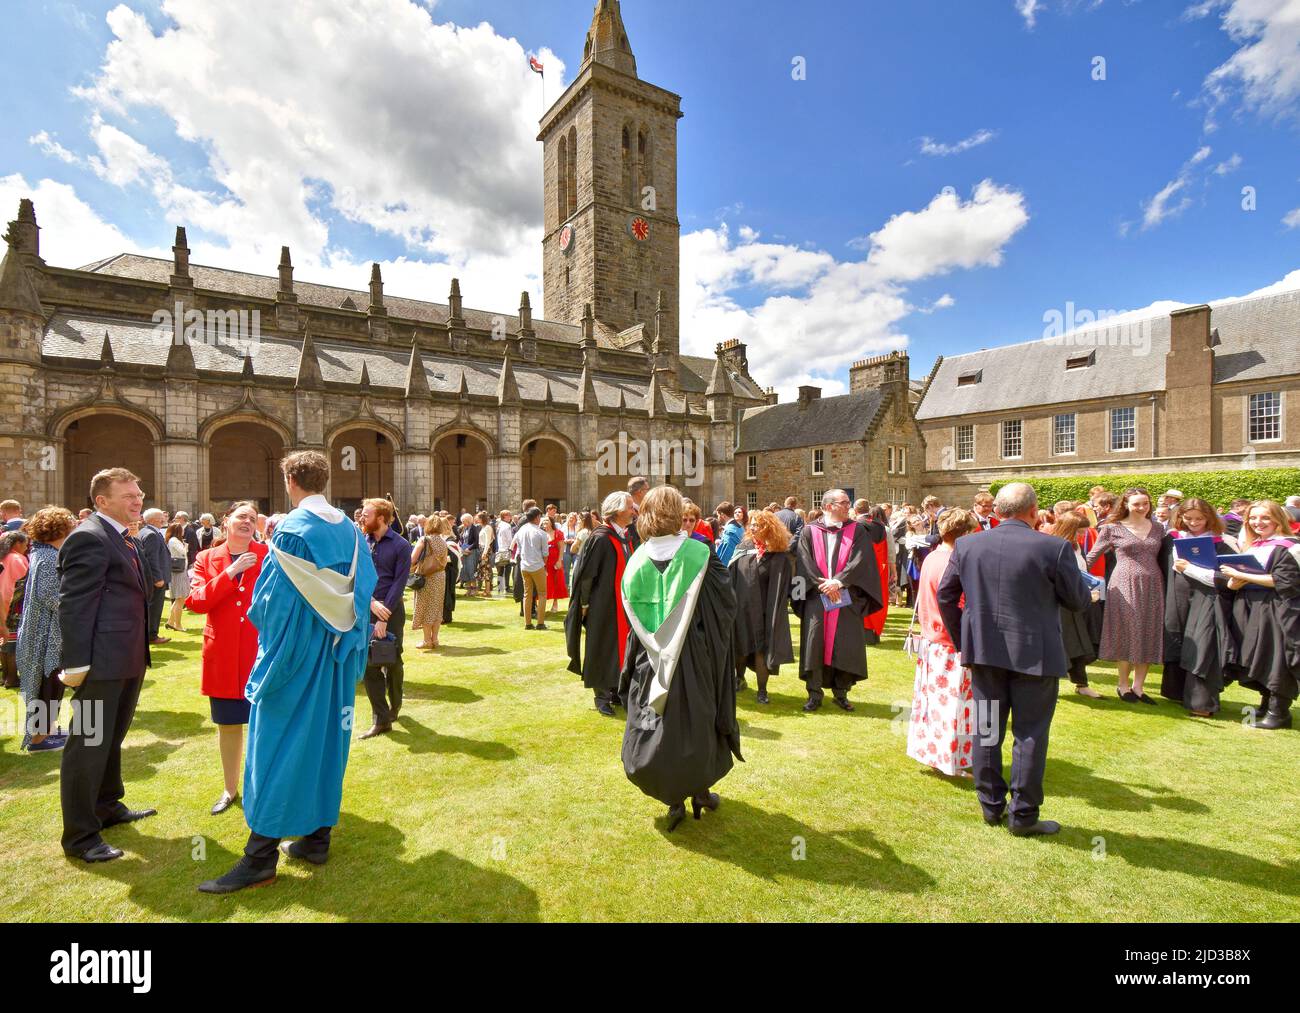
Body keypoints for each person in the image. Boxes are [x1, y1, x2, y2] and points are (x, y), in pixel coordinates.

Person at [198, 451, 377, 893]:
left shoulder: (293, 530)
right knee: (325, 743)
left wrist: (271, 652)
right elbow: (364, 588)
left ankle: (260, 857)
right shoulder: (352, 532)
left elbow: (272, 606)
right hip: (335, 657)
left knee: (276, 746)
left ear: (290, 481)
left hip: (296, 659)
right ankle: (316, 839)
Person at [937, 483, 1092, 836]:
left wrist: (965, 641)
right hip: (1033, 654)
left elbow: (946, 596)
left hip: (987, 654)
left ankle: (992, 807)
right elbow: (1078, 601)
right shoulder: (1054, 547)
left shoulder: (968, 544)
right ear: (1034, 511)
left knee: (988, 729)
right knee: (1030, 733)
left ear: (998, 510)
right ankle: (1021, 815)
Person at [618, 486, 741, 831]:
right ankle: (700, 791)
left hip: (651, 661)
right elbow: (725, 606)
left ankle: (674, 800)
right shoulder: (699, 554)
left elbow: (633, 621)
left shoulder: (636, 561)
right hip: (693, 657)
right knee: (698, 723)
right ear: (676, 513)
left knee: (658, 725)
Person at [57, 468, 156, 863]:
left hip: (127, 658)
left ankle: (108, 806)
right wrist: (77, 664)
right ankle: (80, 836)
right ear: (102, 501)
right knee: (87, 745)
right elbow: (75, 605)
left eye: (139, 493)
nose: (138, 500)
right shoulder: (89, 536)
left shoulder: (122, 536)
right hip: (100, 663)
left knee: (111, 738)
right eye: (129, 495)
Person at [185, 501, 267, 815]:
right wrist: (232, 571)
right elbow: (196, 601)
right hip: (222, 656)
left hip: (260, 654)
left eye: (252, 517)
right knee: (229, 726)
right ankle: (230, 789)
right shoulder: (206, 558)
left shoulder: (269, 555)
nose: (247, 521)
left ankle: (263, 788)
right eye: (241, 516)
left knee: (265, 726)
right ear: (227, 521)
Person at [793, 489, 882, 712]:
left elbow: (860, 560)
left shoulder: (858, 530)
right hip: (816, 596)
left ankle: (841, 693)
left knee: (845, 645)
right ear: (829, 506)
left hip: (846, 596)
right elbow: (803, 562)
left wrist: (839, 583)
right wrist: (823, 584)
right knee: (814, 644)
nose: (848, 506)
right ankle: (814, 694)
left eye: (848, 502)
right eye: (843, 502)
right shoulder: (808, 531)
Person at [907, 508, 981, 775]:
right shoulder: (954, 560)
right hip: (950, 641)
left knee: (933, 704)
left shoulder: (932, 557)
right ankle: (952, 759)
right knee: (955, 706)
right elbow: (956, 602)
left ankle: (934, 754)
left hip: (932, 640)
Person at [1221, 500, 1300, 730]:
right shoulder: (1257, 545)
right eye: (1253, 518)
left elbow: (1284, 581)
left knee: (1276, 657)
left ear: (1278, 518)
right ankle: (1266, 703)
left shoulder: (1290, 546)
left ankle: (1280, 712)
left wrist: (1240, 574)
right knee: (1259, 656)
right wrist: (1235, 581)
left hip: (1278, 608)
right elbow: (1243, 580)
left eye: (1265, 517)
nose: (1258, 522)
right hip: (1252, 607)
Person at [1084, 488, 1166, 705]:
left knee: (1149, 630)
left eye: (1146, 504)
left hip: (1153, 585)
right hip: (1123, 583)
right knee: (1125, 631)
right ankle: (1122, 684)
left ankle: (1139, 686)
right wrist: (1077, 578)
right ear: (1126, 504)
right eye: (1137, 504)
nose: (1142, 508)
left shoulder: (1158, 528)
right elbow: (1092, 556)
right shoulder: (1112, 528)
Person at [1163, 498, 1237, 716]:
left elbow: (1227, 577)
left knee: (1203, 645)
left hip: (1207, 597)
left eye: (1199, 518)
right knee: (1177, 639)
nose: (1194, 523)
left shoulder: (1221, 543)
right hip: (1176, 595)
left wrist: (1190, 569)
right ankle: (1176, 691)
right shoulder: (1171, 540)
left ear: (1209, 518)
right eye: (1188, 518)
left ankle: (1201, 702)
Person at [566, 492, 635, 716]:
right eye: (630, 507)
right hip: (602, 604)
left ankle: (617, 690)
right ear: (617, 511)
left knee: (620, 648)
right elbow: (586, 576)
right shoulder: (601, 538)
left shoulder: (626, 536)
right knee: (603, 646)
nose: (634, 511)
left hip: (623, 603)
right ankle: (602, 696)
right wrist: (584, 604)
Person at [16, 508, 76, 751]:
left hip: (45, 632)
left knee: (50, 684)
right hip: (44, 635)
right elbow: (49, 595)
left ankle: (45, 730)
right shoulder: (50, 557)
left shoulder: (45, 552)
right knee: (46, 685)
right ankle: (39, 739)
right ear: (59, 529)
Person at [359, 498, 412, 740]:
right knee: (369, 663)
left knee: (392, 659)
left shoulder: (401, 545)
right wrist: (370, 602)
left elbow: (399, 583)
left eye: (367, 514)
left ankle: (395, 705)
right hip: (368, 608)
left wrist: (383, 616)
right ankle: (381, 719)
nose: (362, 517)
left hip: (391, 610)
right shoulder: (363, 542)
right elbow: (357, 576)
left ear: (381, 518)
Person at [729, 509, 794, 704]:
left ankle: (762, 691)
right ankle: (738, 679)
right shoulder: (743, 547)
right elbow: (731, 576)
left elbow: (783, 585)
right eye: (752, 524)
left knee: (760, 650)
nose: (753, 528)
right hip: (742, 608)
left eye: (758, 525)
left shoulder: (778, 554)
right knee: (740, 646)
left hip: (766, 611)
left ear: (769, 528)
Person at [1049, 514, 1105, 699]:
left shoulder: (1075, 546)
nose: (1082, 536)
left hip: (1078, 600)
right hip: (1062, 604)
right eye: (1079, 532)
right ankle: (1052, 686)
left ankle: (1082, 684)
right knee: (1064, 646)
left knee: (1080, 645)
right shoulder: (1054, 546)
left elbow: (1079, 572)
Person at [410, 515, 450, 650]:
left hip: (426, 576)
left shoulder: (424, 539)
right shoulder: (443, 541)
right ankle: (435, 639)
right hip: (440, 576)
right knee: (436, 607)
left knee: (425, 606)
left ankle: (427, 640)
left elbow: (412, 559)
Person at [855, 501, 891, 645]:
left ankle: (865, 635)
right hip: (879, 567)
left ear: (856, 510)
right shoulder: (880, 526)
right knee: (876, 598)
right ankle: (874, 634)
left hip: (862, 568)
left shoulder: (856, 525)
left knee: (861, 598)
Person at [0, 529, 31, 689]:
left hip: (3, 603)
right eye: (25, 544)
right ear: (17, 543)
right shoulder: (17, 558)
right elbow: (23, 584)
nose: (27, 547)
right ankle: (12, 678)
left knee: (3, 643)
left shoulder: (3, 557)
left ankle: (5, 676)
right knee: (12, 643)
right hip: (14, 604)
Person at [137, 508, 171, 645]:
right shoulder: (151, 534)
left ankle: (149, 634)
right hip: (155, 580)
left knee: (151, 608)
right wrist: (158, 579)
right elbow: (152, 559)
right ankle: (152, 635)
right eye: (160, 518)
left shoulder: (146, 532)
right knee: (154, 608)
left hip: (151, 578)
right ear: (152, 520)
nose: (163, 520)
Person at [515, 507, 550, 631]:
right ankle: (540, 623)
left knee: (527, 594)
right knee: (542, 594)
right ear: (536, 518)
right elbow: (546, 554)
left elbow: (518, 548)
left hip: (524, 565)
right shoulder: (541, 533)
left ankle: (528, 623)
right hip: (537, 565)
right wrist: (543, 565)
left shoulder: (520, 530)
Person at [164, 520, 190, 632]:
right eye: (182, 529)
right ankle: (177, 624)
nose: (184, 531)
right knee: (180, 598)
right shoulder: (174, 540)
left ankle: (171, 621)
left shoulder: (173, 540)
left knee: (179, 599)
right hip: (178, 571)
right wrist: (186, 546)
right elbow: (183, 552)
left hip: (179, 571)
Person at [543, 516, 568, 614]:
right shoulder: (541, 533)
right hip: (544, 562)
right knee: (545, 583)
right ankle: (542, 604)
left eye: (547, 520)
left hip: (555, 561)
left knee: (556, 581)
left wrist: (559, 561)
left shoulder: (558, 533)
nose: (544, 522)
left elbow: (561, 548)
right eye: (543, 520)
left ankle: (555, 603)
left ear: (551, 522)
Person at [496, 510, 515, 595]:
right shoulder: (507, 526)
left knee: (500, 570)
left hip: (500, 549)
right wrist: (512, 547)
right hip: (507, 549)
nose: (510, 517)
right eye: (509, 516)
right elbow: (509, 539)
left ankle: (500, 587)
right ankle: (506, 587)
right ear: (504, 517)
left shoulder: (499, 525)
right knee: (507, 569)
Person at [627, 476, 649, 548]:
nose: (649, 493)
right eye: (647, 489)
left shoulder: (647, 509)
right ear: (639, 492)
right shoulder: (626, 511)